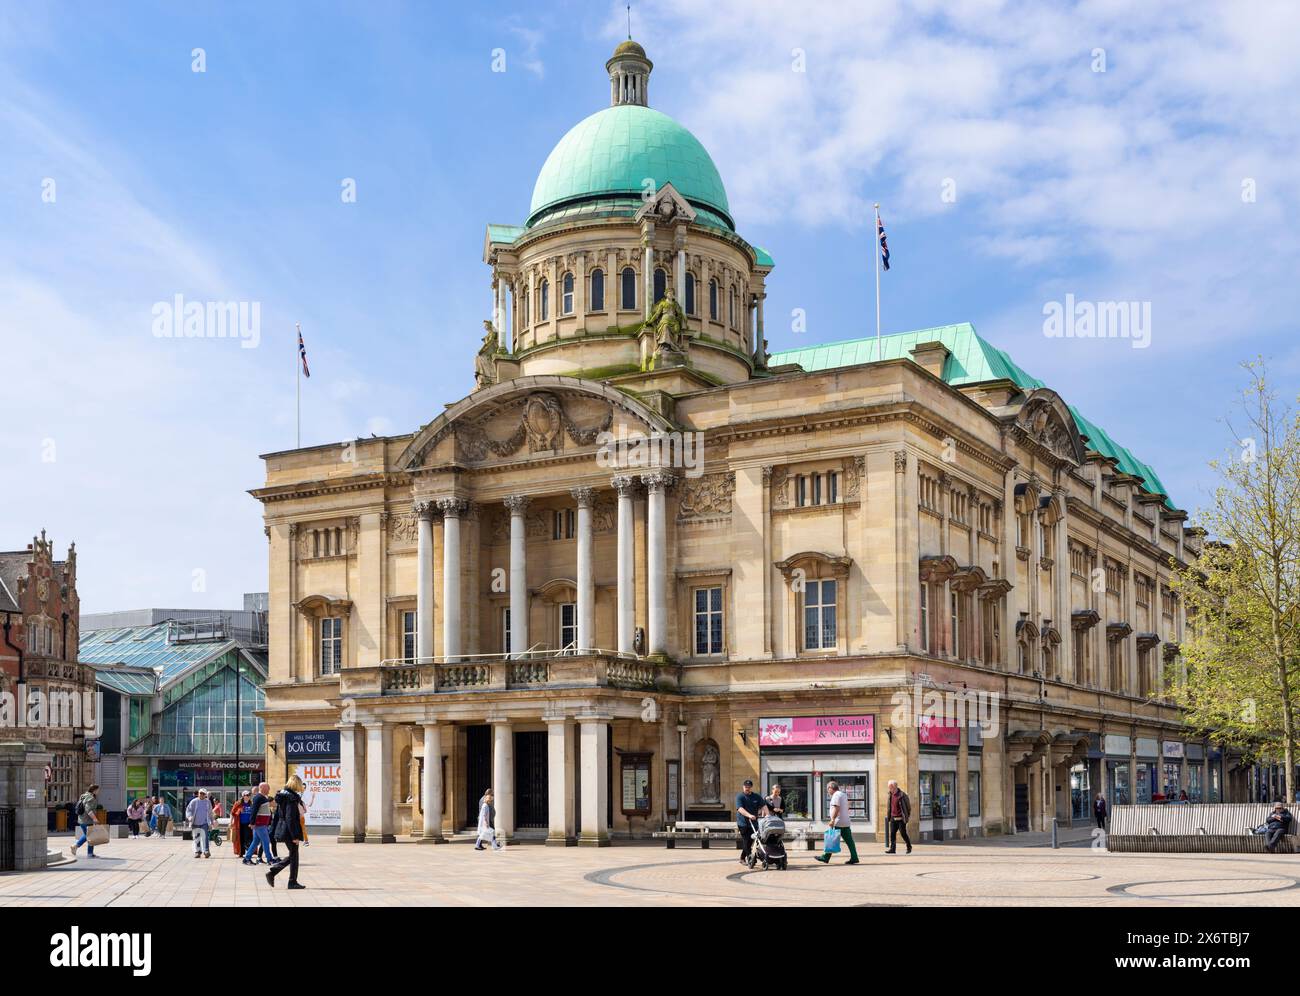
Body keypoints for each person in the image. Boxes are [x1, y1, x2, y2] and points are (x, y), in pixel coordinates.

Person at [266, 775, 306, 890]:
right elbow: (290, 818)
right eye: (300, 783)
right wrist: (295, 835)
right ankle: (279, 874)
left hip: (283, 828)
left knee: (294, 855)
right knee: (294, 855)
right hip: (289, 830)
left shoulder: (283, 796)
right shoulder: (291, 798)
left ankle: (290, 880)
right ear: (296, 784)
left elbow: (279, 816)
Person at [815, 779, 859, 865]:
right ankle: (854, 857)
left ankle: (825, 857)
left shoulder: (836, 795)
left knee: (831, 838)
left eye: (828, 789)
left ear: (831, 788)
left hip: (838, 821)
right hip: (845, 821)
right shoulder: (843, 794)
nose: (828, 791)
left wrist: (832, 820)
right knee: (849, 841)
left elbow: (836, 808)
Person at [735, 778, 766, 865]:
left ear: (751, 787)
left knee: (751, 841)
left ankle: (742, 858)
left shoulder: (756, 797)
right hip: (743, 823)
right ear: (743, 787)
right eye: (745, 786)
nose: (747, 788)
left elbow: (764, 806)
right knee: (746, 840)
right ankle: (750, 858)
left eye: (748, 787)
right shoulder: (740, 796)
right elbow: (740, 809)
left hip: (754, 823)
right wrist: (749, 815)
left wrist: (767, 816)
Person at [242, 782, 275, 865]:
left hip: (261, 824)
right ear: (262, 788)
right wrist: (252, 822)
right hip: (260, 824)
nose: (269, 790)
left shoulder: (263, 797)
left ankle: (247, 858)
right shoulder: (258, 797)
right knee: (266, 841)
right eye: (268, 788)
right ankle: (270, 859)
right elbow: (254, 810)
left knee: (255, 842)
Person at [70, 783, 100, 859]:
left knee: (88, 835)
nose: (98, 791)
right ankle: (80, 848)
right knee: (90, 836)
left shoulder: (83, 796)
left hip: (81, 819)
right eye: (98, 790)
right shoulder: (90, 798)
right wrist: (94, 818)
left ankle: (79, 848)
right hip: (87, 820)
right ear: (94, 790)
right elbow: (88, 809)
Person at [885, 779, 913, 854]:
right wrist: (889, 816)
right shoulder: (890, 795)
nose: (890, 789)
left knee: (903, 833)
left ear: (895, 787)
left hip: (901, 818)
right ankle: (892, 849)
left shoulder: (902, 795)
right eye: (889, 787)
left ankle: (909, 846)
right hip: (893, 817)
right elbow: (889, 807)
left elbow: (908, 807)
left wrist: (906, 816)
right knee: (892, 834)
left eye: (891, 787)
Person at [186, 788, 213, 859]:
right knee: (197, 838)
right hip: (195, 822)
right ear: (198, 793)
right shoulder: (194, 801)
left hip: (204, 822)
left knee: (205, 837)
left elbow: (210, 813)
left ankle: (206, 851)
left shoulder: (208, 802)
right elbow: (188, 810)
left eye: (203, 793)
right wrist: (189, 817)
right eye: (200, 793)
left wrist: (212, 822)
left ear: (205, 795)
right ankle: (198, 852)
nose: (201, 795)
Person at [231, 790, 253, 857]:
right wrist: (231, 821)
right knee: (240, 838)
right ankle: (241, 853)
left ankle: (249, 852)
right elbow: (232, 813)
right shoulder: (238, 803)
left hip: (248, 824)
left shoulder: (251, 804)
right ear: (243, 796)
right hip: (239, 824)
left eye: (248, 795)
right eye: (245, 795)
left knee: (248, 838)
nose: (247, 797)